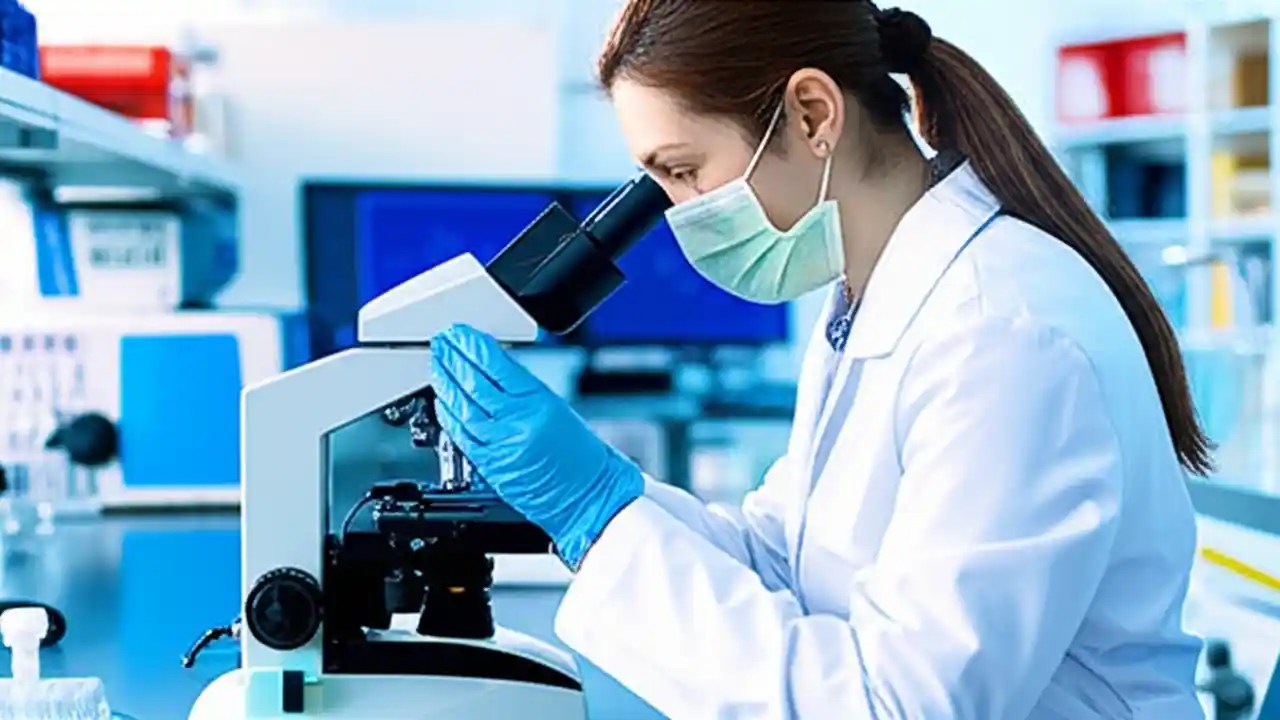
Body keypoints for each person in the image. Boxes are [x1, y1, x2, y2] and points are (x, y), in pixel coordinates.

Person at [428, 2, 1209, 717]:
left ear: (812, 113)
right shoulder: (875, 299)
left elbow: (900, 706)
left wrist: (598, 520)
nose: (675, 210)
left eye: (683, 169)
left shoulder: (1000, 332)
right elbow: (788, 555)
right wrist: (609, 500)